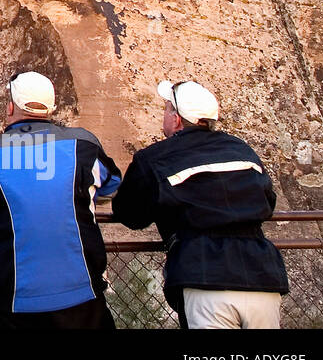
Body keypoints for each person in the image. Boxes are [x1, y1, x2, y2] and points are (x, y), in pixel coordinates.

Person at [0, 71, 122, 328]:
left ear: (10, 108)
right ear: (51, 108)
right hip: (83, 293)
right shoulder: (84, 145)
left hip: (12, 301)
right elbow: (111, 186)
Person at [111, 80, 288, 328]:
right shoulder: (243, 151)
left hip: (204, 275)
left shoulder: (154, 158)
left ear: (176, 119)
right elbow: (268, 202)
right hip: (262, 276)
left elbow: (129, 215)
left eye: (166, 109)